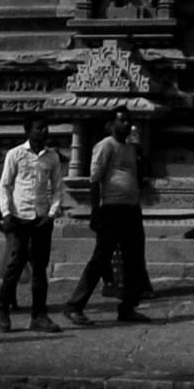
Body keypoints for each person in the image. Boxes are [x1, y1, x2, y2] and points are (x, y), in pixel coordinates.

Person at [61, 111, 150, 325]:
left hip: (131, 209)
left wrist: (139, 151)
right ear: (111, 124)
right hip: (112, 209)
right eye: (123, 120)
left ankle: (128, 307)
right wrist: (95, 211)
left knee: (135, 260)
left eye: (129, 120)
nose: (127, 124)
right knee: (100, 260)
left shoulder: (130, 149)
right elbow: (95, 180)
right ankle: (75, 306)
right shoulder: (105, 146)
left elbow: (140, 177)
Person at [0, 118, 68, 330]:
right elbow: (5, 185)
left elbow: (58, 188)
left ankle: (39, 315)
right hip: (19, 216)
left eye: (46, 127)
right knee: (15, 264)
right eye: (39, 127)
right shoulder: (15, 154)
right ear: (28, 131)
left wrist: (51, 214)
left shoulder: (51, 157)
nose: (44, 131)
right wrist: (6, 214)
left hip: (41, 218)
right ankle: (2, 307)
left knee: (39, 268)